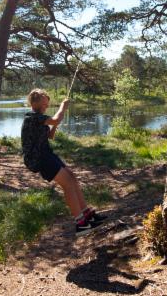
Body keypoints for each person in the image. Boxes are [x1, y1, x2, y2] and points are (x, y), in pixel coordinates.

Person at [21, 88, 106, 233]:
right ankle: (81, 224)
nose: (47, 106)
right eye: (45, 104)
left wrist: (54, 124)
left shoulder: (39, 117)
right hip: (40, 159)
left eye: (48, 104)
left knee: (72, 178)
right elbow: (56, 119)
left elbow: (50, 136)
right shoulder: (32, 116)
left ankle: (88, 215)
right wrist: (63, 107)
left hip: (47, 154)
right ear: (37, 103)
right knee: (68, 184)